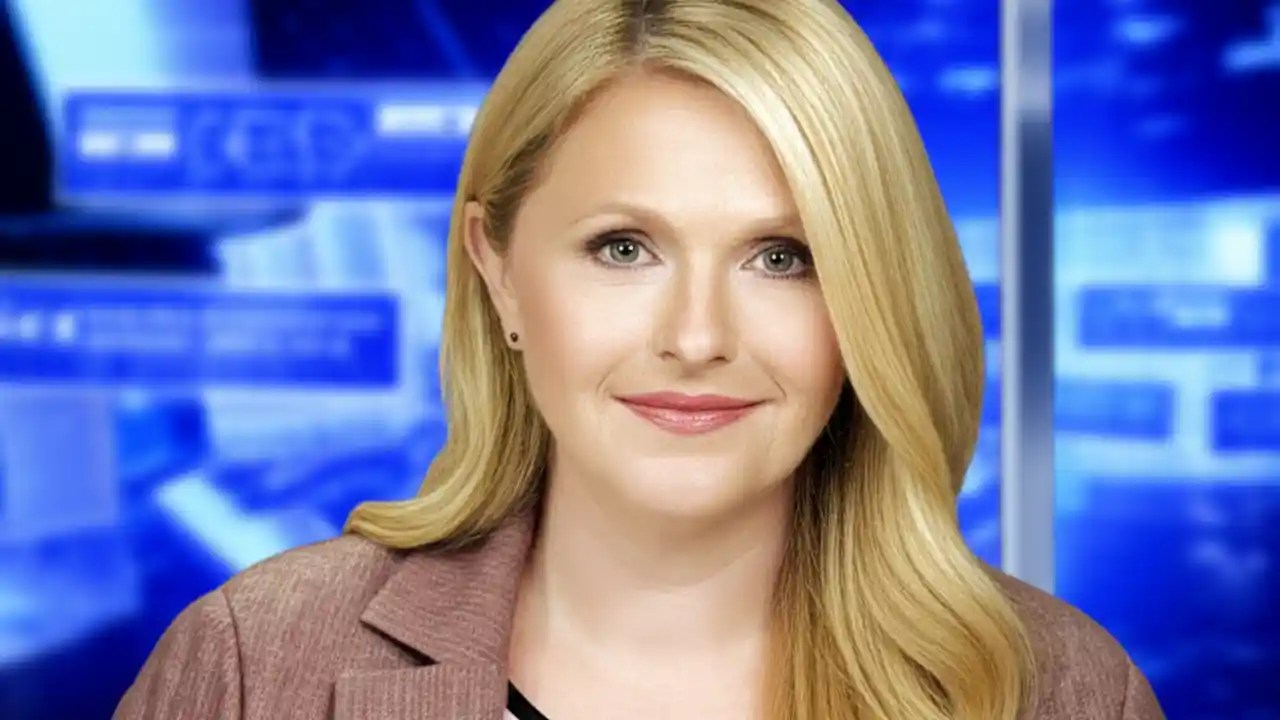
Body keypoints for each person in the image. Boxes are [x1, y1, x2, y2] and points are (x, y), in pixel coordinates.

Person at [114, 0, 1166, 718]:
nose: (697, 337)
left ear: (871, 297)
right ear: (498, 270)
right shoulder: (253, 665)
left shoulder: (1064, 691)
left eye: (782, 256)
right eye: (623, 248)